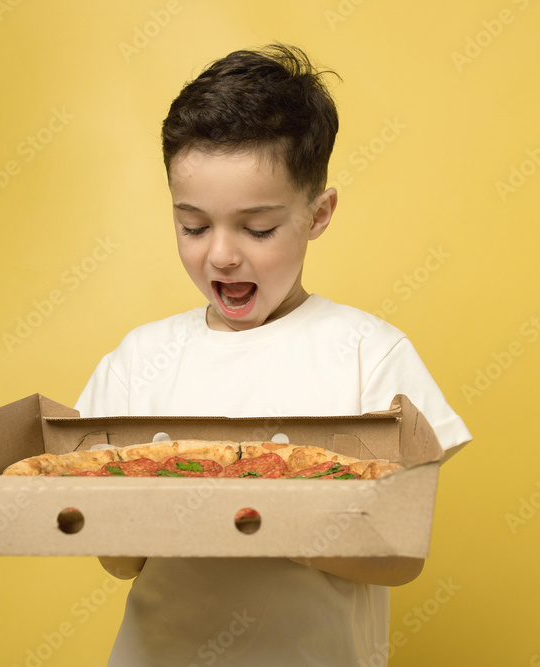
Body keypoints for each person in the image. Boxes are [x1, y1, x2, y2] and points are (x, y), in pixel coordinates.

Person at [74, 43, 472, 667]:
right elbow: (120, 562)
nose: (221, 255)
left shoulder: (369, 355)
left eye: (257, 229)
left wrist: (260, 513)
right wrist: (140, 508)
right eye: (193, 226)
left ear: (319, 214)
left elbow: (399, 558)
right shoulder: (138, 359)